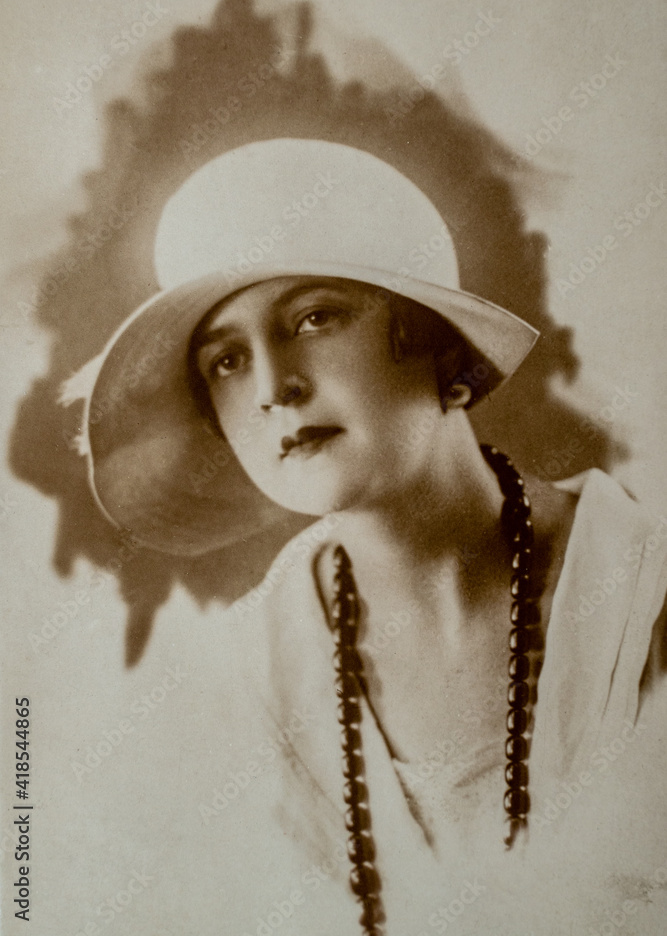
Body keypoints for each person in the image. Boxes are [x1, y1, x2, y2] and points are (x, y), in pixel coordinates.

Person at [61, 139, 667, 935]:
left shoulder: (639, 589)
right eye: (227, 361)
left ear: (442, 350)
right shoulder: (240, 681)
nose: (274, 387)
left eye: (315, 318)